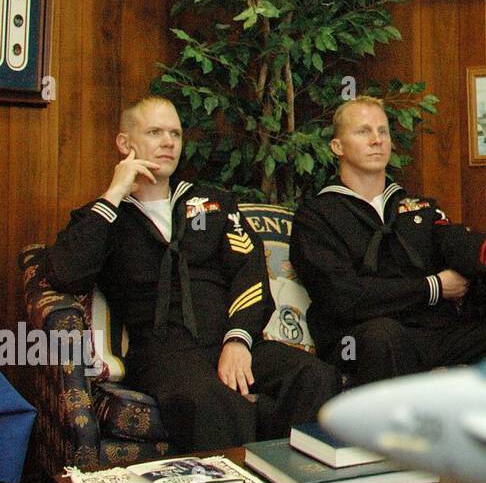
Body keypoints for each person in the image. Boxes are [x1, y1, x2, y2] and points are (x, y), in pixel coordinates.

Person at [45, 96, 340, 451]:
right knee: (212, 401)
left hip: (231, 340)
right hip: (165, 356)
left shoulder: (212, 205)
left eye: (176, 134)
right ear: (125, 143)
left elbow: (250, 271)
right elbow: (65, 273)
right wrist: (115, 193)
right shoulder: (106, 217)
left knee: (315, 376)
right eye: (155, 132)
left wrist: (238, 339)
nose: (169, 142)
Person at [290, 97, 486, 385]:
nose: (376, 140)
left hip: (436, 335)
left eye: (383, 131)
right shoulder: (317, 216)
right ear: (337, 147)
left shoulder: (415, 207)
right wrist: (431, 288)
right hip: (361, 339)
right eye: (363, 131)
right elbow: (342, 296)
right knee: (383, 336)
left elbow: (458, 242)